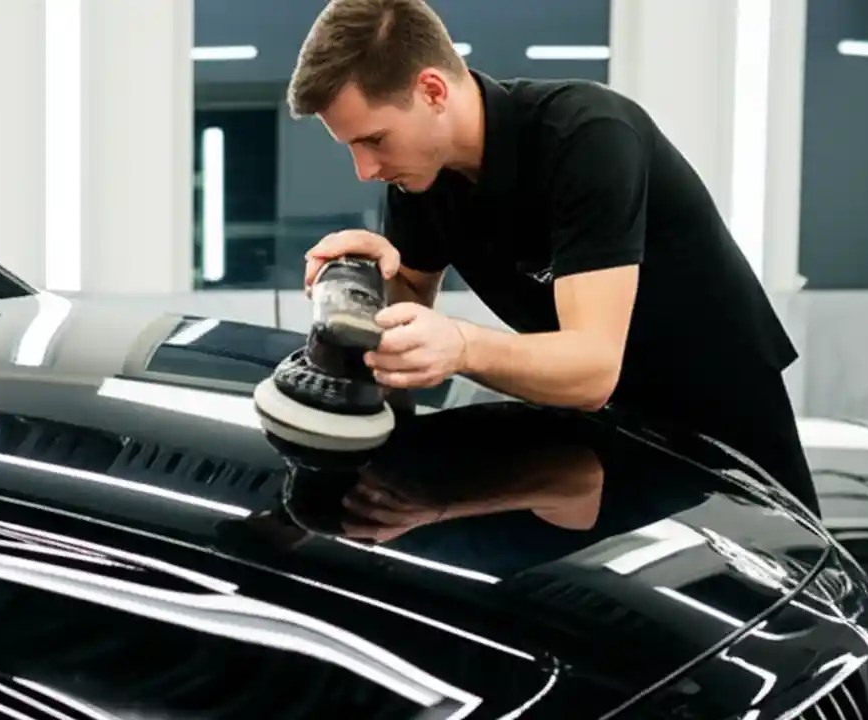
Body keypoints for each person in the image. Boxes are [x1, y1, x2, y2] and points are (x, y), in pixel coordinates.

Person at [286, 0, 820, 515]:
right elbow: (408, 307)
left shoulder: (588, 136)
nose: (364, 169)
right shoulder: (422, 177)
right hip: (599, 429)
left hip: (722, 420)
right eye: (352, 146)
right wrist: (376, 274)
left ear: (431, 90)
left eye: (375, 139)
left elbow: (591, 370)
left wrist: (461, 345)